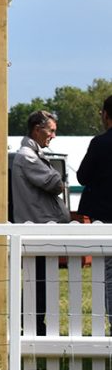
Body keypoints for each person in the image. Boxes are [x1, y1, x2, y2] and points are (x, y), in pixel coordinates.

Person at [11, 110, 71, 335]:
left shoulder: (32, 154)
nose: (53, 136)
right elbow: (54, 182)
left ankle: (34, 326)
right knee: (37, 284)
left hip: (39, 229)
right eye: (51, 130)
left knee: (38, 283)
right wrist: (59, 178)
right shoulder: (28, 156)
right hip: (37, 230)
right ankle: (33, 327)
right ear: (37, 129)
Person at [77, 95, 112, 323]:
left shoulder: (100, 143)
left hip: (105, 219)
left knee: (109, 275)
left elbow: (82, 176)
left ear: (106, 115)